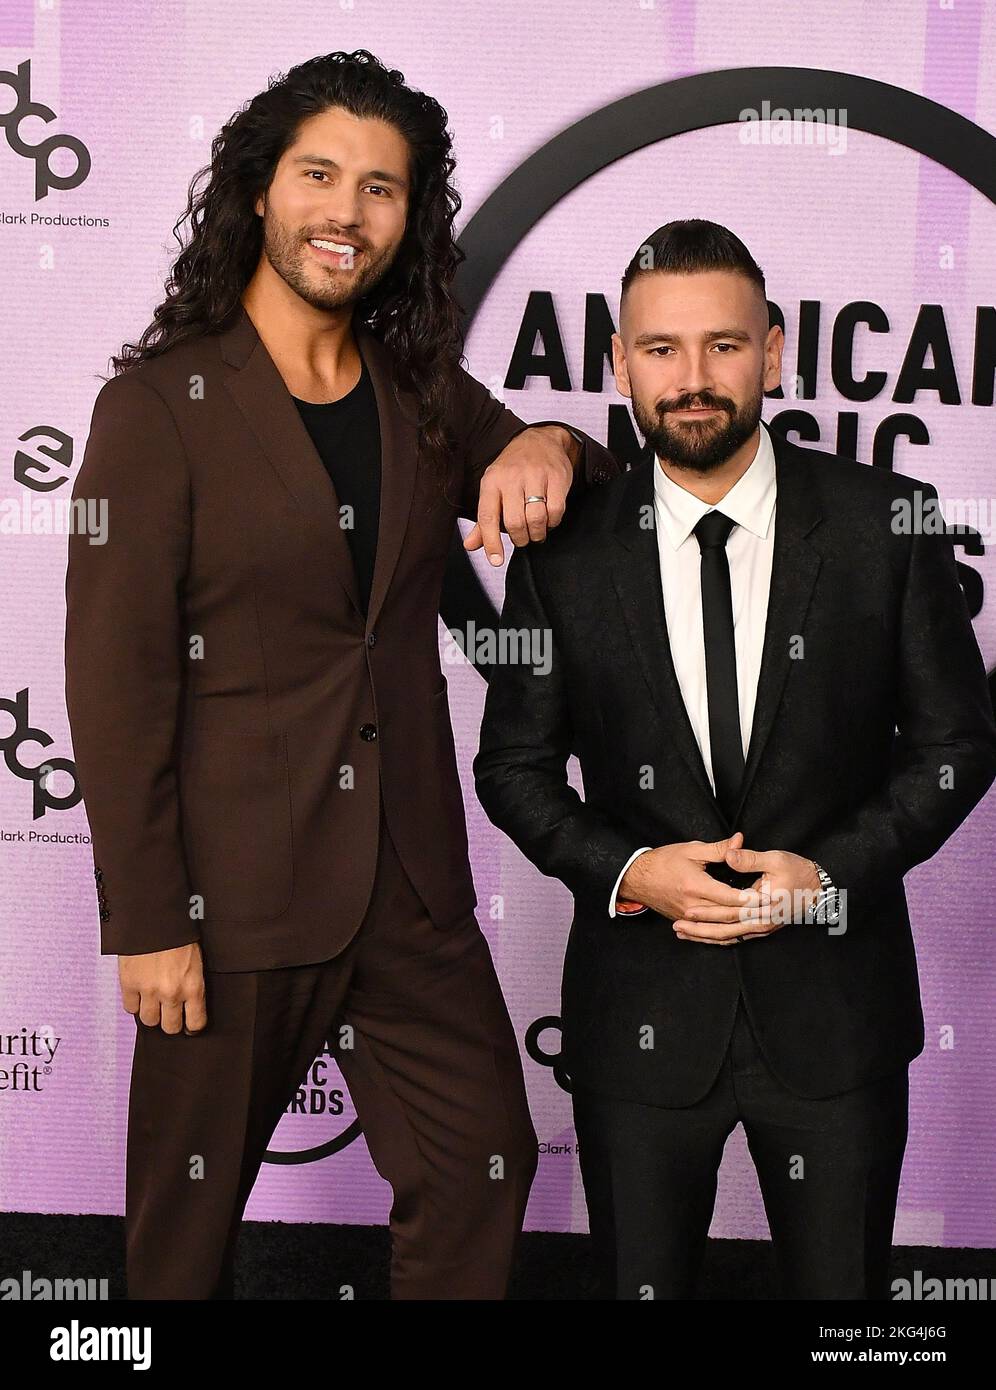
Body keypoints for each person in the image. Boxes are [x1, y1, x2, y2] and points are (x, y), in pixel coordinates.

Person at [64, 49, 619, 1300]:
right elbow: (116, 684)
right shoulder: (161, 408)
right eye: (320, 174)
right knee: (184, 1237)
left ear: (409, 219)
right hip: (228, 895)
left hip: (411, 883)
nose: (347, 212)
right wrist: (148, 919)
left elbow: (577, 470)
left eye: (383, 188)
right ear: (260, 191)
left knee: (482, 1160)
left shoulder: (417, 388)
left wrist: (545, 440)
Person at [474, 219, 996, 1299]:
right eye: (661, 349)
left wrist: (827, 875)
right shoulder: (563, 554)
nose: (694, 378)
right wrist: (628, 872)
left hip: (838, 1018)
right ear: (618, 363)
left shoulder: (884, 521)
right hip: (637, 1019)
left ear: (775, 351)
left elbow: (957, 742)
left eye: (723, 345)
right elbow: (512, 770)